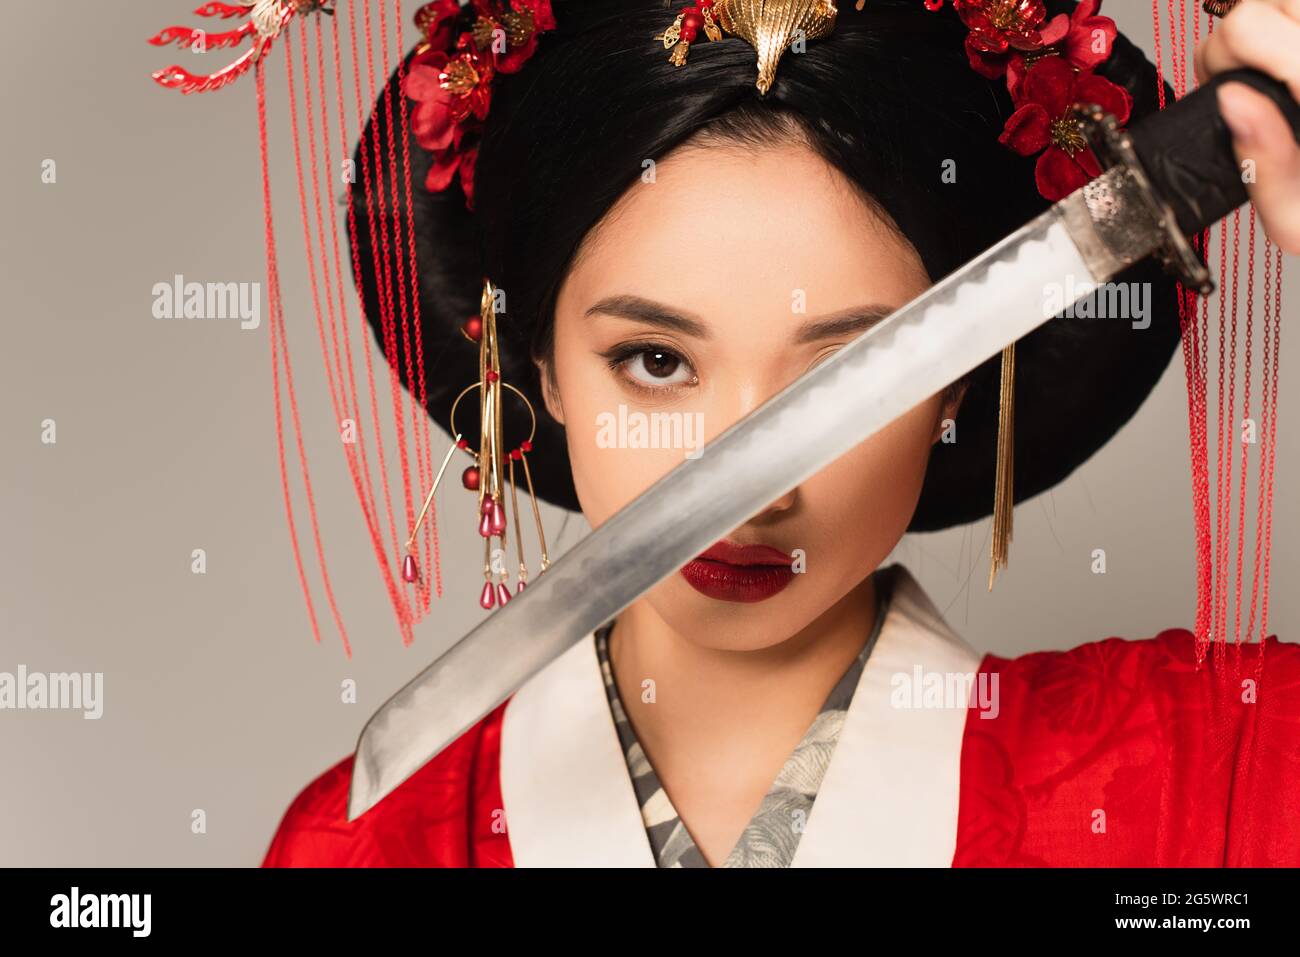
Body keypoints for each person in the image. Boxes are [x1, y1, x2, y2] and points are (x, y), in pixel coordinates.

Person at [260, 0, 1300, 867]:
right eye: (655, 362)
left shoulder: (1222, 777)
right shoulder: (365, 843)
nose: (754, 491)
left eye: (844, 370)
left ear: (956, 385)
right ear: (540, 368)